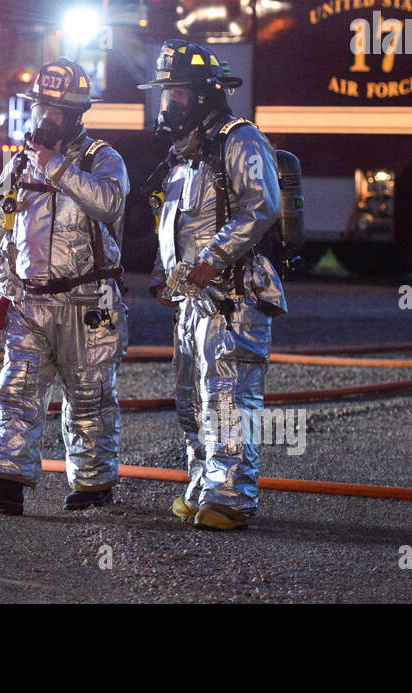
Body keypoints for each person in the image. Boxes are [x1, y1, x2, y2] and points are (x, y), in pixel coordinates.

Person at [0, 59, 129, 516]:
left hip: (88, 305)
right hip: (30, 303)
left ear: (76, 115)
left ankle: (93, 486)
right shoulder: (20, 163)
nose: (44, 117)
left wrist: (57, 169)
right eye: (41, 107)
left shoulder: (101, 159)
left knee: (89, 397)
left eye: (55, 110)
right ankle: (6, 479)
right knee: (16, 390)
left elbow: (110, 203)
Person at [140, 40, 286, 531]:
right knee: (191, 400)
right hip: (193, 302)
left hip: (235, 297)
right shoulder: (186, 153)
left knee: (227, 399)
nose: (167, 105)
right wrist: (168, 275)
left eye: (177, 94)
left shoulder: (239, 139)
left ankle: (230, 498)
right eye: (165, 94)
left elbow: (261, 206)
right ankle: (203, 486)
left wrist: (212, 259)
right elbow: (176, 223)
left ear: (204, 95)